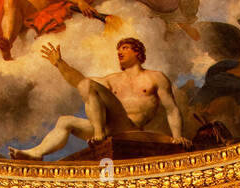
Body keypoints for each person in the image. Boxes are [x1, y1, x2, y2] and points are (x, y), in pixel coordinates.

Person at [10, 38, 187, 160]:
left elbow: (171, 109)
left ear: (138, 52)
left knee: (88, 85)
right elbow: (80, 82)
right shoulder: (112, 79)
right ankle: (37, 153)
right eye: (118, 49)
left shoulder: (155, 77)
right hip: (106, 128)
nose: (120, 52)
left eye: (125, 48)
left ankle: (99, 135)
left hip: (130, 129)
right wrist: (59, 63)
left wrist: (177, 138)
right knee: (66, 120)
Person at [0, 0, 97, 61]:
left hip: (42, 8)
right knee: (11, 1)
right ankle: (7, 43)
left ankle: (7, 44)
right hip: (23, 7)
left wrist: (80, 1)